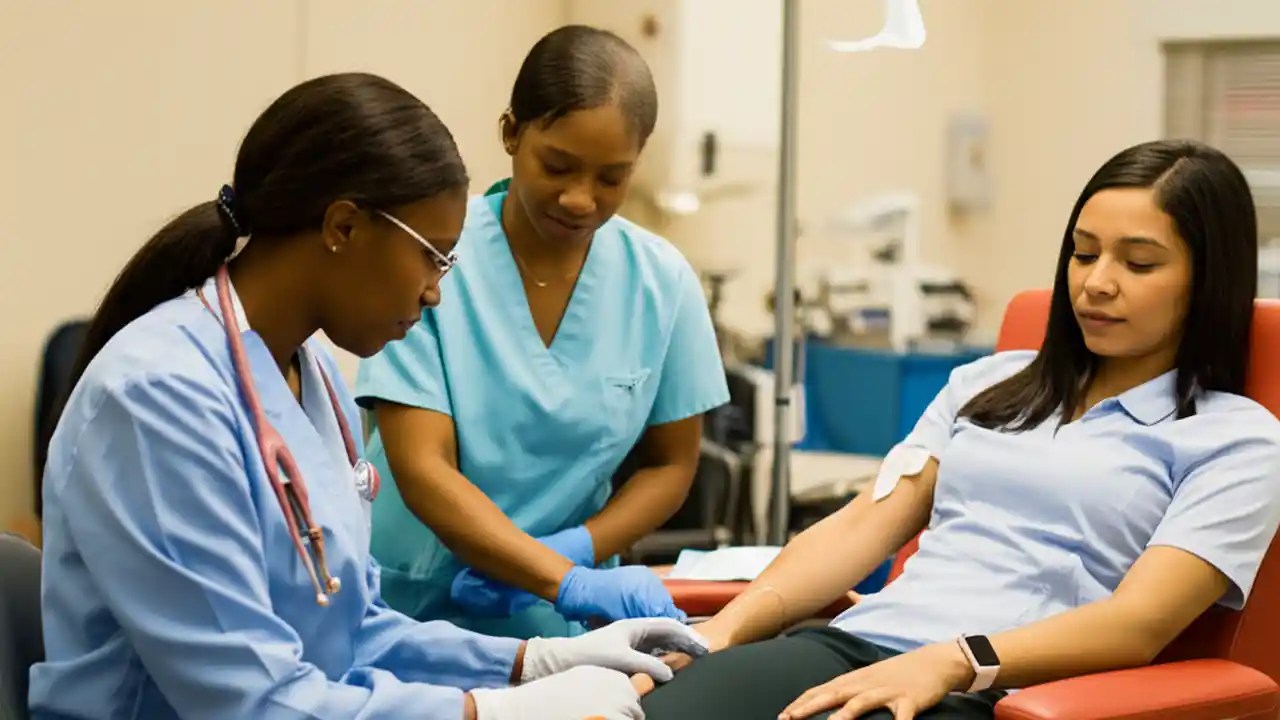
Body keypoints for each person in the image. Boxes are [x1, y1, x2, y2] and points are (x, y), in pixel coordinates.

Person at [27, 72, 709, 720]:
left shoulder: (312, 376)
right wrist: (490, 709)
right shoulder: (157, 400)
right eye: (432, 258)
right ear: (344, 227)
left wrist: (534, 662)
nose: (436, 290)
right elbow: (249, 703)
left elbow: (352, 631)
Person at [640, 139, 1280, 720]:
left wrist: (955, 659)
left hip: (995, 687)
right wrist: (721, 633)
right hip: (857, 643)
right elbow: (866, 523)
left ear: (1207, 282)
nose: (1096, 283)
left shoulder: (1233, 440)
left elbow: (1138, 625)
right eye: (1083, 254)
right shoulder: (988, 384)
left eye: (1138, 264)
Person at [354, 24, 730, 640]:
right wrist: (560, 576)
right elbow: (423, 467)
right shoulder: (436, 255)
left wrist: (578, 551)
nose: (580, 199)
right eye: (557, 166)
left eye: (611, 178)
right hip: (409, 600)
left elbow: (670, 464)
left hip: (556, 617)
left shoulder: (660, 282)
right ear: (510, 133)